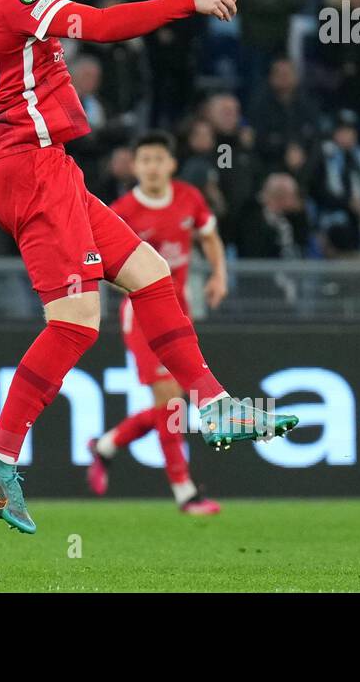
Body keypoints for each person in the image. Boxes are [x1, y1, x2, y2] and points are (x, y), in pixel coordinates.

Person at [0, 0, 297, 535]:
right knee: (77, 323)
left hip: (36, 168)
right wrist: (189, 0)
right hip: (33, 171)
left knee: (151, 274)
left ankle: (213, 403)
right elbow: (100, 28)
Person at [87, 132, 226, 515]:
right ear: (134, 166)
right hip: (143, 317)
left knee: (174, 403)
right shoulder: (120, 211)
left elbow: (209, 236)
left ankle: (107, 444)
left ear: (171, 164)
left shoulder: (189, 198)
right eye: (144, 159)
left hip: (180, 313)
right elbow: (97, 262)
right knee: (170, 401)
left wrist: (219, 275)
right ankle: (185, 493)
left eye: (157, 159)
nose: (151, 166)